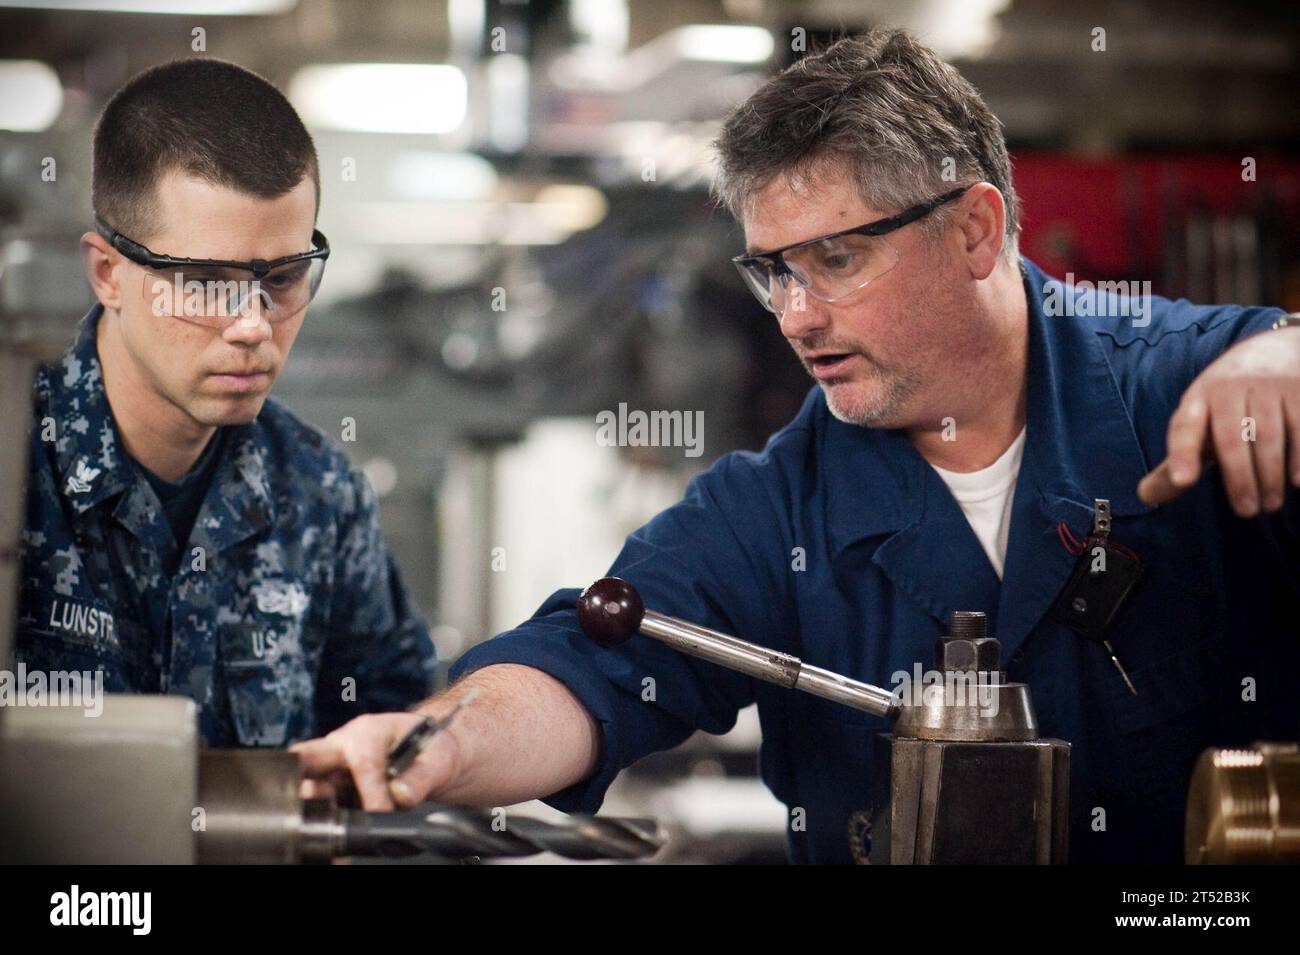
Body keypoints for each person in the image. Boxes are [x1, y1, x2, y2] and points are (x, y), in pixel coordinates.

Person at [293, 30, 1300, 863]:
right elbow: (585, 669)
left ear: (974, 231)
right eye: (771, 270)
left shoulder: (1188, 392)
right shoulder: (775, 511)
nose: (796, 314)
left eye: (836, 258)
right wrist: (438, 742)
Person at [13, 58, 435, 746]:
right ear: (107, 273)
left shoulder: (323, 496)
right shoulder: (15, 473)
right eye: (206, 281)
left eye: (285, 277)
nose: (253, 324)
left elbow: (396, 730)